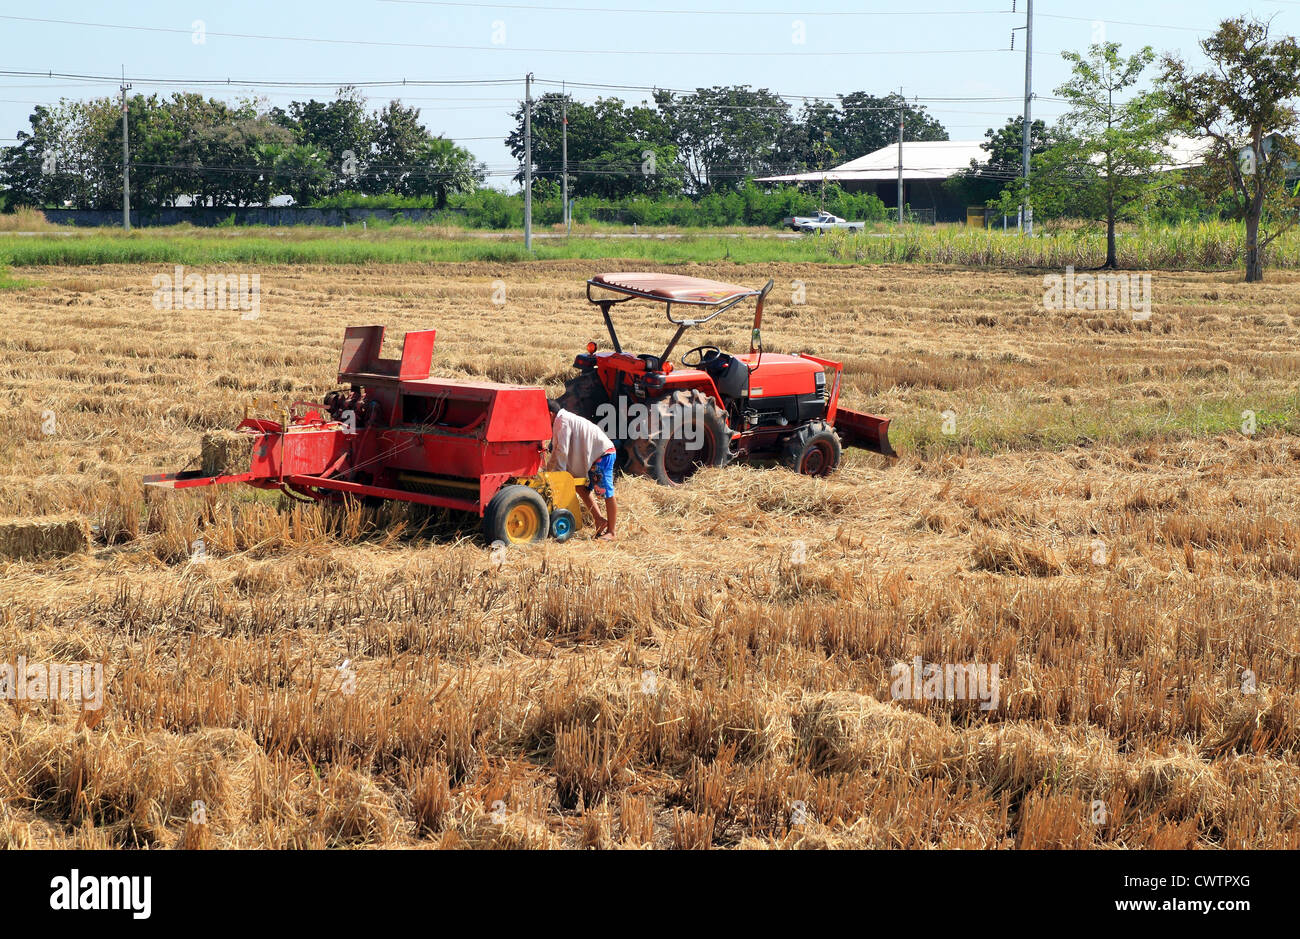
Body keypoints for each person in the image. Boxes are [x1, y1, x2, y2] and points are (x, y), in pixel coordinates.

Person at [547, 399, 618, 540]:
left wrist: (558, 477)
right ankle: (599, 520)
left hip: (602, 454)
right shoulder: (559, 421)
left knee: (606, 492)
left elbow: (562, 451)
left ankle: (612, 532)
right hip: (593, 456)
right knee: (579, 487)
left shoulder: (563, 421)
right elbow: (556, 451)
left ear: (550, 414)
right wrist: (548, 472)